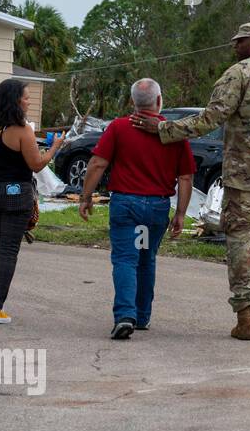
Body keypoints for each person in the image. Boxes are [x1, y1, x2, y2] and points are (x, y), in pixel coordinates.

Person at [132, 23, 250, 341]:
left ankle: (244, 317)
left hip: (243, 178)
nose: (234, 46)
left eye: (239, 41)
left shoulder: (237, 74)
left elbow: (210, 118)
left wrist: (162, 129)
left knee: (240, 240)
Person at [79, 78, 195, 340]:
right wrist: (180, 213)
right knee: (145, 258)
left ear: (133, 102)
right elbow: (186, 177)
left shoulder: (119, 127)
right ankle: (141, 316)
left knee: (125, 259)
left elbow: (98, 163)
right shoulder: (173, 133)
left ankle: (125, 316)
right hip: (155, 208)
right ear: (159, 100)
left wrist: (86, 196)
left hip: (126, 204)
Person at [0, 78, 64, 325]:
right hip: (13, 193)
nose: (29, 100)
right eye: (26, 96)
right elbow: (36, 164)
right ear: (15, 100)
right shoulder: (23, 130)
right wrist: (54, 147)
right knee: (8, 250)